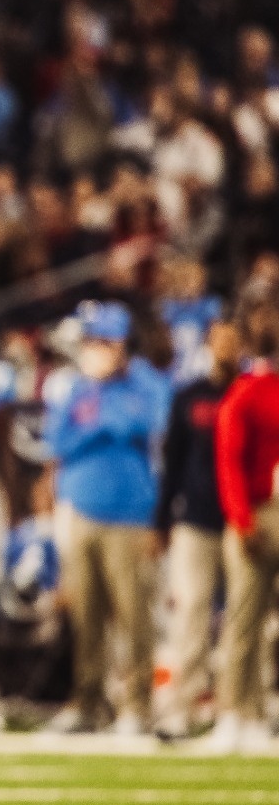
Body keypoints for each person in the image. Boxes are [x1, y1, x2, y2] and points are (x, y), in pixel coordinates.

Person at [45, 301, 170, 735]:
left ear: (122, 343)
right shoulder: (76, 388)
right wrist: (103, 427)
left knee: (134, 615)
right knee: (86, 616)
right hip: (81, 510)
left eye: (103, 341)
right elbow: (57, 442)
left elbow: (152, 423)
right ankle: (88, 702)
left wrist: (101, 425)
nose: (95, 349)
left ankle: (137, 706)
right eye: (91, 341)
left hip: (132, 513)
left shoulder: (147, 383)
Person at [155, 316, 240, 741]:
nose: (226, 346)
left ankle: (240, 711)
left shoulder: (251, 391)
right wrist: (162, 520)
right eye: (220, 338)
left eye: (232, 339)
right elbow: (172, 462)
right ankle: (181, 710)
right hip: (196, 517)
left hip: (243, 520)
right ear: (208, 342)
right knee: (190, 612)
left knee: (246, 618)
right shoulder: (189, 396)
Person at [214, 300, 279, 751]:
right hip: (258, 511)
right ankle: (236, 712)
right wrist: (242, 519)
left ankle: (259, 712)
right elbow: (230, 461)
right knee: (243, 619)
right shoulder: (246, 392)